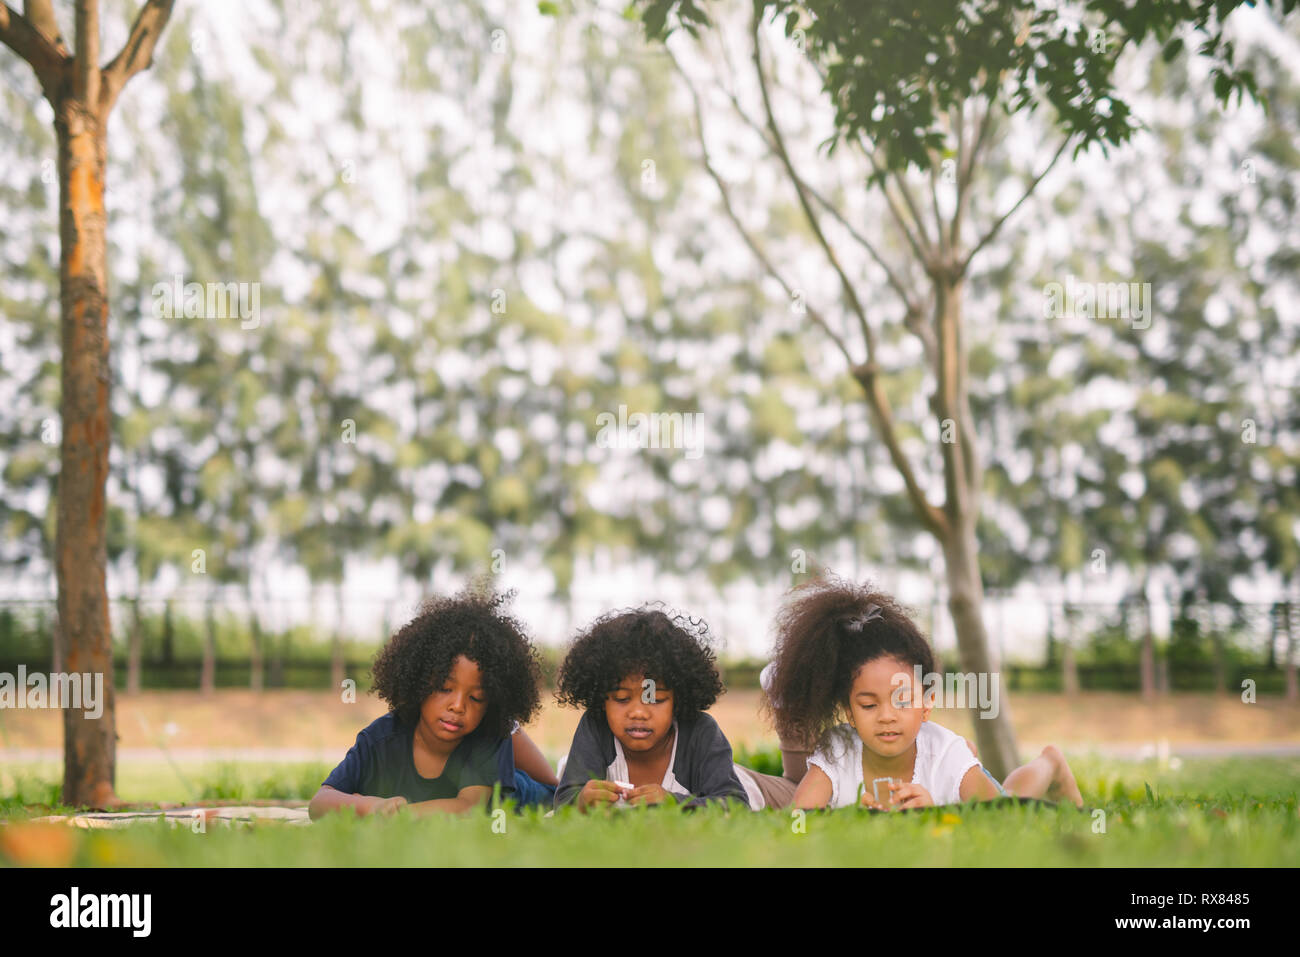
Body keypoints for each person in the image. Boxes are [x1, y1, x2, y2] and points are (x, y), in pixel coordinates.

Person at [766, 575, 1084, 811]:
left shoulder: (944, 753)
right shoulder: (837, 753)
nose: (887, 716)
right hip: (955, 765)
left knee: (1013, 799)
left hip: (955, 769)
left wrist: (936, 811)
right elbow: (799, 818)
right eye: (868, 704)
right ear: (849, 712)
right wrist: (851, 816)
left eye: (903, 700)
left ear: (927, 703)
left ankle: (1050, 762)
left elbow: (999, 819)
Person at [308, 588, 556, 820]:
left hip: (524, 792)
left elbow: (467, 808)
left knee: (555, 789)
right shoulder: (379, 739)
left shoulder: (486, 739)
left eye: (476, 697)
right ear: (418, 682)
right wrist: (371, 807)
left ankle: (528, 743)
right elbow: (319, 803)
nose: (458, 705)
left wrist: (398, 813)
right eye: (445, 689)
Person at [553, 605, 792, 811]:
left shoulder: (702, 731)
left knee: (805, 792)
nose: (638, 712)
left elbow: (734, 802)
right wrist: (581, 801)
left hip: (750, 786)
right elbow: (564, 801)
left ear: (678, 699)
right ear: (601, 699)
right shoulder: (596, 727)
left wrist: (674, 802)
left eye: (655, 699)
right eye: (622, 699)